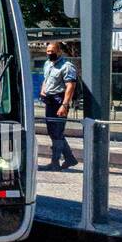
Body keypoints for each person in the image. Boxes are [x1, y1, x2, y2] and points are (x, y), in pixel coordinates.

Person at [40, 41, 79, 171]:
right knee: (54, 132)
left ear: (59, 51)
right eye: (48, 52)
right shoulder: (47, 64)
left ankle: (55, 162)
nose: (49, 54)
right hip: (49, 101)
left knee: (57, 132)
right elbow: (46, 79)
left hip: (60, 101)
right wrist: (43, 90)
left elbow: (70, 86)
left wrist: (64, 105)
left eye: (52, 51)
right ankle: (70, 158)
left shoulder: (67, 66)